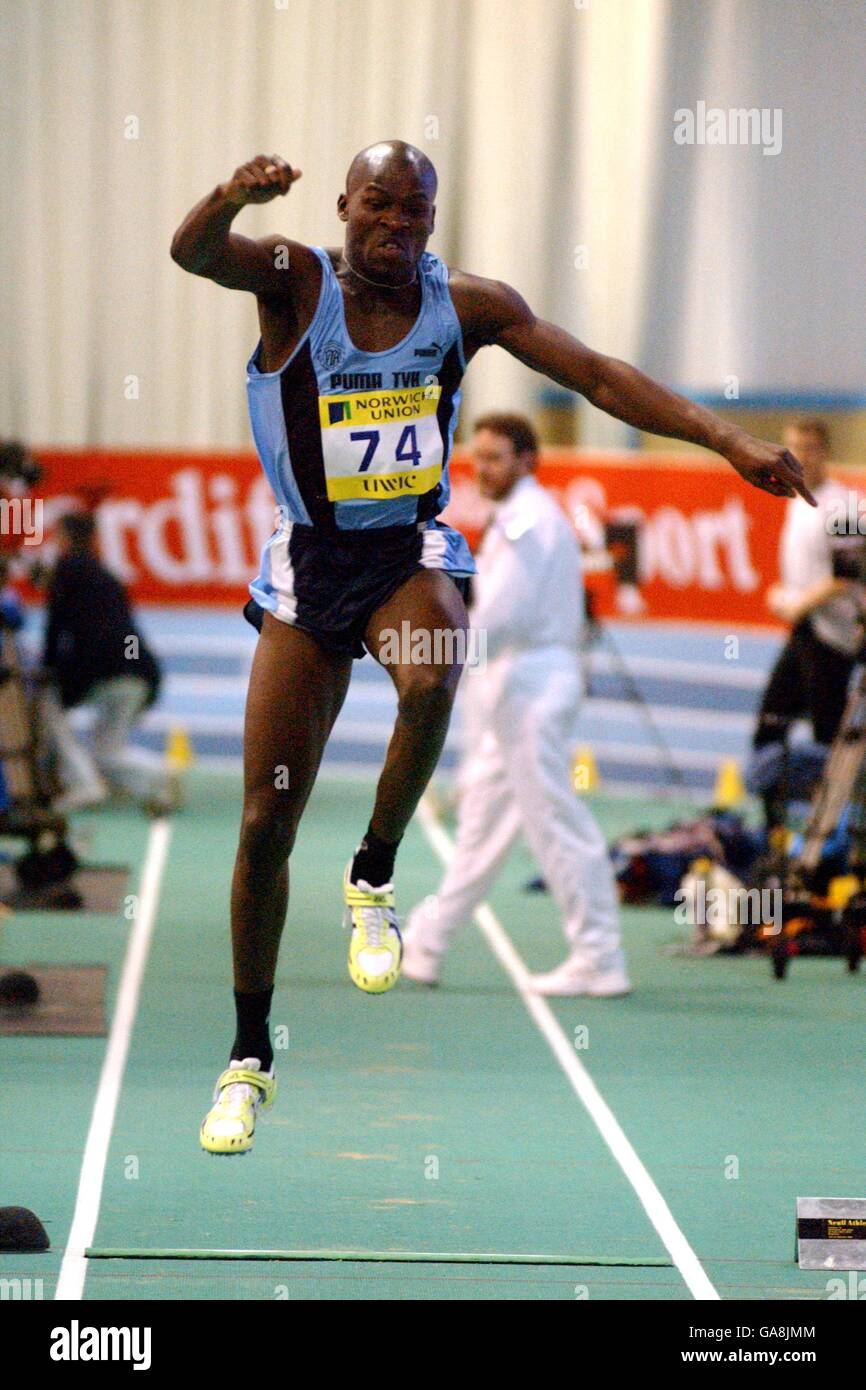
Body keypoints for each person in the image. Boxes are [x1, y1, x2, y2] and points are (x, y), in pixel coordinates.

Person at [170, 141, 812, 1154]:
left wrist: (723, 438)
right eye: (377, 205)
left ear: (433, 217)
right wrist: (229, 196)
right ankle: (249, 1057)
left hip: (404, 551)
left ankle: (373, 874)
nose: (395, 225)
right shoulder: (295, 281)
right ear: (343, 206)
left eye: (414, 210)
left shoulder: (466, 305)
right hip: (309, 561)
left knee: (434, 672)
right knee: (263, 822)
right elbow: (193, 253)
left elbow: (596, 375)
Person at [402, 413, 629, 995]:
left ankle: (599, 956)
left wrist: (428, 657)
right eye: (477, 456)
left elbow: (498, 618)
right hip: (516, 685)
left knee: (554, 822)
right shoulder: (519, 518)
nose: (482, 468)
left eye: (495, 457)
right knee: (482, 825)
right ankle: (427, 942)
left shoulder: (528, 522)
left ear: (528, 461)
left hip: (532, 685)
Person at [753, 419, 864, 825]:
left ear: (825, 452)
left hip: (834, 639)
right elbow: (806, 570)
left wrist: (800, 603)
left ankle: (833, 829)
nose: (801, 457)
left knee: (827, 740)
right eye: (793, 449)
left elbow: (847, 576)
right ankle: (773, 829)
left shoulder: (845, 504)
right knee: (770, 726)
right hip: (803, 632)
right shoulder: (795, 500)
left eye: (809, 448)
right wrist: (782, 595)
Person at [40, 512, 173, 815]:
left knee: (46, 705)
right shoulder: (107, 576)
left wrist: (51, 673)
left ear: (64, 539)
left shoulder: (66, 571)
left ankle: (83, 783)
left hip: (109, 672)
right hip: (140, 674)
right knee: (107, 751)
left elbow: (56, 630)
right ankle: (158, 776)